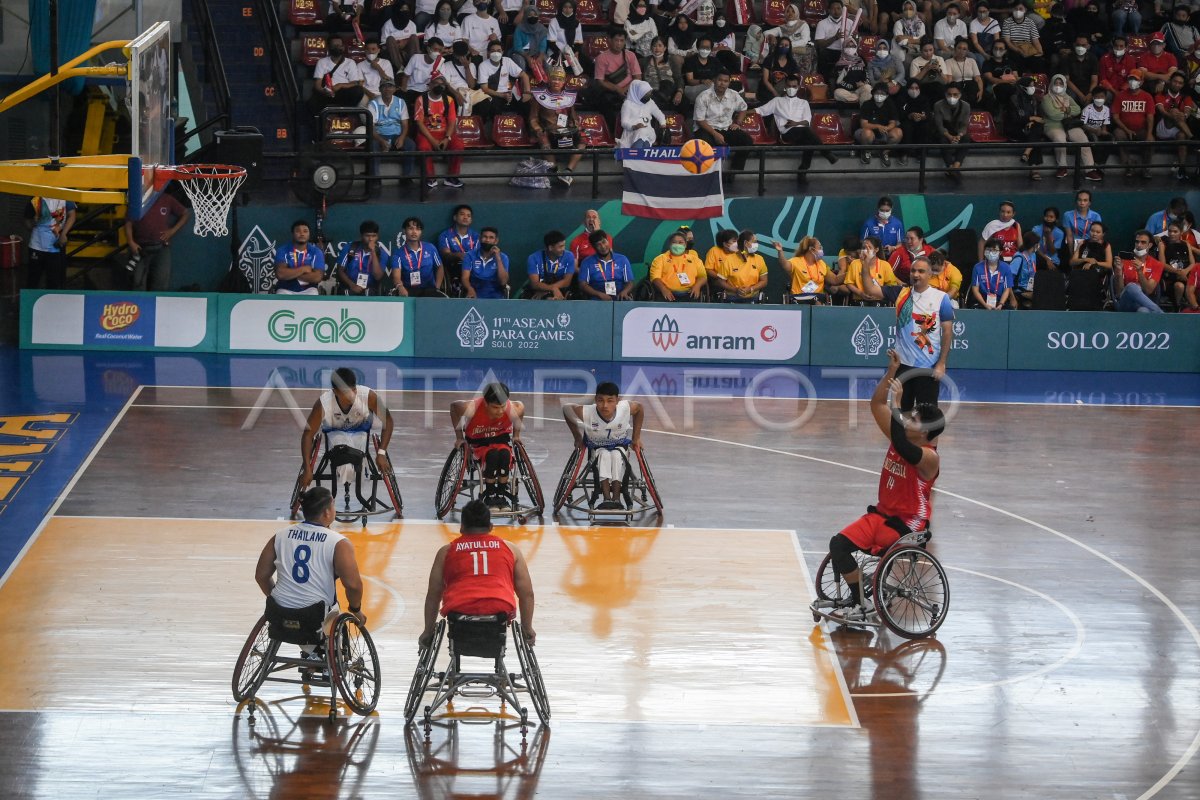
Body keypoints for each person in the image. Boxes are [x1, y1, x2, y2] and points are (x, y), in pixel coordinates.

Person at [822, 348, 945, 621]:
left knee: (874, 552)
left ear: (924, 432)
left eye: (912, 418)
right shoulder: (902, 435)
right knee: (838, 545)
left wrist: (897, 404)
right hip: (882, 514)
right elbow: (875, 405)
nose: (906, 418)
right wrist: (891, 372)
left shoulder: (928, 458)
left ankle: (864, 600)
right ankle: (860, 601)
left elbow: (901, 444)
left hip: (908, 525)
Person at [255, 487, 366, 667]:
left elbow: (261, 576)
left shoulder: (280, 536)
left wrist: (279, 600)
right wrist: (356, 609)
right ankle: (321, 654)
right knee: (332, 603)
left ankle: (310, 652)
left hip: (277, 613)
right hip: (314, 618)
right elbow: (353, 585)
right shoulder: (338, 542)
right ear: (327, 512)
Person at [418, 499, 536, 649]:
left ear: (461, 527)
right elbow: (527, 594)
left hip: (459, 612)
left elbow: (433, 594)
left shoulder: (445, 552)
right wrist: (527, 628)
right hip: (499, 610)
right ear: (491, 527)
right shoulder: (511, 549)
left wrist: (427, 631)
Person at [299, 367, 395, 491]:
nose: (350, 396)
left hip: (360, 433)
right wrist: (307, 467)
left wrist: (381, 453)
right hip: (335, 435)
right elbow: (308, 434)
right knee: (345, 459)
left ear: (355, 388)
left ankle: (356, 474)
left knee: (356, 462)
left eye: (353, 390)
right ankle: (347, 474)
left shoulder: (368, 396)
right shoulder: (323, 404)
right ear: (335, 392)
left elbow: (388, 420)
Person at [562, 382, 646, 509]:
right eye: (600, 400)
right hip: (597, 447)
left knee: (617, 456)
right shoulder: (587, 411)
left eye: (610, 401)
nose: (605, 405)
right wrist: (577, 437)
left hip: (619, 446)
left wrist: (636, 438)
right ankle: (606, 498)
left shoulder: (625, 408)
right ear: (595, 399)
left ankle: (616, 498)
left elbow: (639, 408)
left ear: (617, 400)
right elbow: (566, 409)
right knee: (605, 455)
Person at [450, 382, 526, 507]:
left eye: (502, 406)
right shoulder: (472, 407)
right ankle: (490, 493)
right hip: (478, 443)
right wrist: (459, 438)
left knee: (505, 454)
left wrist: (516, 435)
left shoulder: (513, 407)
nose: (500, 411)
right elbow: (453, 407)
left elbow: (521, 409)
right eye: (495, 407)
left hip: (500, 440)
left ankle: (501, 493)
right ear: (486, 403)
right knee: (492, 456)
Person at [893, 256, 954, 409]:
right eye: (913, 271)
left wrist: (941, 364)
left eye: (921, 271)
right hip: (903, 364)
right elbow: (870, 288)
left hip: (928, 365)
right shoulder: (902, 294)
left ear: (930, 275)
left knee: (928, 415)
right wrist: (867, 265)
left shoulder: (942, 298)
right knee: (901, 411)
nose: (916, 275)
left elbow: (947, 332)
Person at [757, 74, 838, 178]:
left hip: (803, 132)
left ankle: (803, 169)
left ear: (798, 87)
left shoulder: (804, 103)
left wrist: (795, 123)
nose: (791, 88)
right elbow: (759, 110)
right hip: (787, 133)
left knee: (809, 140)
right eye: (789, 86)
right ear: (785, 87)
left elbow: (807, 121)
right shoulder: (777, 101)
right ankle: (826, 153)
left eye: (794, 86)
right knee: (808, 132)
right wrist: (743, 112)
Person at [123, 192, 189, 292]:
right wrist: (131, 242)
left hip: (161, 247)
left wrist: (172, 231)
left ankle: (157, 307)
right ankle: (139, 306)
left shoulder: (167, 199)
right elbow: (128, 222)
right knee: (138, 282)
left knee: (161, 283)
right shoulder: (138, 199)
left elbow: (185, 213)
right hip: (140, 248)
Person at [530, 64, 583, 185]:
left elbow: (574, 118)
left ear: (564, 81)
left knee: (584, 137)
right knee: (542, 137)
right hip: (548, 131)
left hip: (565, 131)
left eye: (559, 79)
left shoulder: (569, 97)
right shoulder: (539, 96)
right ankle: (555, 170)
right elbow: (533, 118)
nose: (556, 82)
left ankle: (568, 171)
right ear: (549, 79)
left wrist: (575, 124)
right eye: (554, 78)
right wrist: (537, 129)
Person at [1041, 73, 1100, 180]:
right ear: (1051, 84)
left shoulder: (1067, 97)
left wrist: (1067, 110)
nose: (1058, 86)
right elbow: (1053, 115)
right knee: (1060, 139)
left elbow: (1077, 109)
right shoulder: (1046, 98)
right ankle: (1062, 167)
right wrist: (1067, 112)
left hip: (1069, 124)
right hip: (1053, 126)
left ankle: (1090, 170)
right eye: (1056, 83)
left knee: (1082, 139)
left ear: (1064, 85)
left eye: (1060, 83)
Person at [693, 72, 751, 174]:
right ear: (714, 80)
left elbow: (744, 108)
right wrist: (715, 134)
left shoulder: (734, 95)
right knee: (704, 144)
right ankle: (710, 174)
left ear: (729, 83)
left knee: (747, 140)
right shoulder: (703, 96)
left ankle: (734, 171)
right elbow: (700, 120)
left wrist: (738, 123)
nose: (722, 83)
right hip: (707, 129)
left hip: (726, 128)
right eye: (720, 80)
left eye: (725, 81)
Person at [414, 76, 466, 189]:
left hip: (444, 133)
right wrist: (432, 140)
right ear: (430, 85)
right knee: (423, 147)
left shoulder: (449, 100)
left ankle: (452, 177)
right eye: (436, 83)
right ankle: (430, 177)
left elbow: (452, 121)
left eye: (442, 84)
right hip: (427, 133)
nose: (439, 86)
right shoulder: (421, 99)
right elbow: (419, 123)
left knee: (459, 145)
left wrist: (447, 138)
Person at [586, 29, 642, 130]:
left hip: (630, 89)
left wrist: (625, 89)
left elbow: (638, 77)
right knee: (605, 104)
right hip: (611, 91)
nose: (619, 44)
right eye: (616, 40)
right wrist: (618, 89)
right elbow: (600, 81)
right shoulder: (601, 58)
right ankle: (614, 133)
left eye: (622, 41)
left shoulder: (630, 55)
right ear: (610, 41)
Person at [368, 80, 418, 179]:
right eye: (384, 86)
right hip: (379, 135)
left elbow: (405, 124)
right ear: (379, 89)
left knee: (410, 145)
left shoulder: (400, 102)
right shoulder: (373, 104)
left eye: (390, 86)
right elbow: (371, 127)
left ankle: (407, 178)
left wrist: (402, 138)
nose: (387, 89)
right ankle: (375, 179)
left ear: (395, 89)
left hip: (396, 135)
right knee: (373, 146)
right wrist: (381, 140)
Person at [24, 195, 75, 290]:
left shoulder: (65, 194)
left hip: (55, 246)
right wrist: (34, 223)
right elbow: (27, 222)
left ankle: (52, 303)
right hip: (36, 245)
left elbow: (72, 215)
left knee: (54, 281)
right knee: (33, 279)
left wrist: (64, 234)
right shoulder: (36, 199)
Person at [1113, 68, 1156, 179]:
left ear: (1141, 82)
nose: (1133, 82)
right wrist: (1127, 130)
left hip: (1141, 129)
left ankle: (1146, 168)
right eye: (1131, 79)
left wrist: (1149, 134)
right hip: (1124, 129)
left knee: (1150, 141)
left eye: (1136, 79)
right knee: (1118, 134)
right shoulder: (1120, 95)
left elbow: (1150, 117)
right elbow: (1115, 117)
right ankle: (1129, 166)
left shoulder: (1147, 96)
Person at [775, 235, 844, 304]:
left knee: (818, 300)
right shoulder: (796, 261)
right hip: (799, 297)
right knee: (816, 302)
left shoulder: (822, 264)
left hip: (818, 297)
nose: (821, 250)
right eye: (819, 247)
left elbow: (835, 280)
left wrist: (849, 272)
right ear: (812, 249)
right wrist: (780, 251)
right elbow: (784, 265)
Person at [1154, 71, 1196, 181]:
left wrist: (1184, 115)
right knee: (1174, 111)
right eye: (1175, 82)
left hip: (1178, 129)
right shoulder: (1161, 94)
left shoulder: (1186, 97)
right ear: (1170, 82)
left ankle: (1182, 169)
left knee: (1182, 135)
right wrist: (1174, 113)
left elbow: (1187, 111)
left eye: (1180, 83)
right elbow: (1162, 111)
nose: (1177, 85)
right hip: (1163, 127)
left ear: (1182, 85)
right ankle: (1193, 139)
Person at [391, 216, 445, 297]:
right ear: (404, 231)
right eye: (411, 228)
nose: (414, 232)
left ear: (421, 232)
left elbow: (440, 267)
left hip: (430, 289)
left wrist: (437, 287)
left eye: (418, 229)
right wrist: (400, 287)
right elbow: (396, 276)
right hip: (408, 290)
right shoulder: (398, 253)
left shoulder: (430, 248)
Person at [310, 37, 365, 116]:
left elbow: (355, 83)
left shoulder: (350, 62)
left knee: (358, 90)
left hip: (343, 92)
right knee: (312, 102)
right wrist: (324, 91)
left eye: (340, 45)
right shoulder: (322, 62)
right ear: (329, 47)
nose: (337, 48)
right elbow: (317, 84)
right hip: (326, 92)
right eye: (334, 46)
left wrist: (340, 85)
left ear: (343, 47)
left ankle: (344, 115)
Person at [709, 229, 768, 302]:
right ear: (746, 243)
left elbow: (764, 281)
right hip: (732, 298)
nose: (756, 244)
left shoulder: (759, 259)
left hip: (753, 298)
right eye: (754, 242)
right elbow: (721, 281)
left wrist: (751, 289)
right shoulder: (728, 260)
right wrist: (735, 290)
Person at [1113, 230, 1166, 312]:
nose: (1139, 245)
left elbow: (1148, 290)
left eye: (1143, 242)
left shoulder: (1157, 265)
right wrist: (1119, 272)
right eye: (1137, 242)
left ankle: (1157, 313)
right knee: (1131, 286)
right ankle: (1161, 315)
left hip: (1144, 302)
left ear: (1150, 245)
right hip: (1126, 303)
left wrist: (1140, 272)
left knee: (1143, 311)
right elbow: (1119, 292)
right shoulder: (1125, 261)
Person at [649, 231, 707, 301]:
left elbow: (703, 276)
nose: (677, 245)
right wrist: (664, 289)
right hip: (667, 294)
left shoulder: (695, 259)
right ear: (670, 245)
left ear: (685, 245)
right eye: (674, 242)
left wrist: (697, 286)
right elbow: (655, 278)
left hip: (690, 293)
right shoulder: (660, 259)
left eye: (680, 242)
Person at [1067, 220, 1112, 310]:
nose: (1094, 234)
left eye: (1098, 232)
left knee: (1092, 271)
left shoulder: (1106, 245)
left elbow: (1109, 265)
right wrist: (1085, 259)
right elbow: (1072, 262)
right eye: (1092, 231)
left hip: (1097, 272)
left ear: (1103, 234)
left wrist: (1094, 262)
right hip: (1080, 272)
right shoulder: (1083, 243)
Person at [856, 82, 904, 165]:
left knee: (898, 132)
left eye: (882, 93)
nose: (879, 95)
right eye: (877, 93)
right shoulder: (867, 104)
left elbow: (893, 122)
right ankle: (866, 152)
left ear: (887, 95)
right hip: (866, 132)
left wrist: (887, 128)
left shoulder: (890, 104)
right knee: (867, 133)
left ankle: (884, 152)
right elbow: (863, 124)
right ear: (873, 93)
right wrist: (878, 126)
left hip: (884, 132)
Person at [577, 230, 635, 301]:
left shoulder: (622, 259)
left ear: (608, 241)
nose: (603, 247)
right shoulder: (587, 262)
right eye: (598, 245)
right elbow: (583, 285)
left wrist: (625, 291)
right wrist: (598, 294)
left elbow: (630, 282)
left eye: (604, 242)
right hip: (596, 298)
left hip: (619, 297)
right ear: (593, 247)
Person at [273, 219, 326, 295]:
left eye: (305, 231)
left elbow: (317, 277)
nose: (302, 234)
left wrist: (290, 273)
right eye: (298, 231)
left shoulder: (316, 252)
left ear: (309, 234)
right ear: (293, 233)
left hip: (309, 289)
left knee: (313, 295)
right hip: (285, 289)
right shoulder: (283, 250)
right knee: (281, 294)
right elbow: (280, 274)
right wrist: (304, 269)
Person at [335, 220, 388, 296]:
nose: (370, 239)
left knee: (370, 293)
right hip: (349, 285)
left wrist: (373, 252)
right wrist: (352, 285)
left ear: (377, 236)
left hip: (370, 288)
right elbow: (340, 271)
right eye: (367, 236)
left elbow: (377, 276)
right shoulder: (350, 248)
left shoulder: (382, 253)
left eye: (373, 236)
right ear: (361, 236)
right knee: (345, 292)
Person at [845, 236, 904, 303]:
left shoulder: (885, 265)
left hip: (880, 302)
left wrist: (880, 293)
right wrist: (860, 293)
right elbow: (849, 284)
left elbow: (891, 285)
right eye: (864, 248)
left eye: (869, 247)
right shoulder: (854, 263)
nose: (866, 250)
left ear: (876, 250)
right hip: (858, 301)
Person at [438, 205, 479, 293]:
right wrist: (457, 255)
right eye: (462, 214)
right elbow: (446, 255)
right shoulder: (445, 235)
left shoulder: (476, 236)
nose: (465, 217)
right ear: (455, 217)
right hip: (455, 267)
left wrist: (468, 258)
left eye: (468, 216)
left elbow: (479, 255)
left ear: (471, 220)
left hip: (474, 268)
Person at [524, 230, 577, 299]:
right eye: (560, 246)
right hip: (539, 290)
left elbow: (567, 281)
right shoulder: (533, 258)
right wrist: (551, 289)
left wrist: (551, 290)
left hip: (560, 289)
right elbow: (534, 284)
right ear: (550, 248)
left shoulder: (569, 256)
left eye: (564, 245)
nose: (563, 249)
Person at [932, 83, 970, 178]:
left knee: (966, 139)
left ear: (960, 95)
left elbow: (964, 125)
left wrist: (959, 135)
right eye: (949, 94)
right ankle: (950, 165)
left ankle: (955, 166)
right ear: (945, 94)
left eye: (955, 94)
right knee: (942, 140)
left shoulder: (966, 106)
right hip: (943, 133)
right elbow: (939, 125)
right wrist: (949, 136)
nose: (952, 97)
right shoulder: (938, 105)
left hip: (957, 132)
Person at [462, 226, 510, 299]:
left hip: (495, 294)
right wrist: (470, 289)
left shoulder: (503, 257)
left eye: (491, 238)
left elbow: (503, 281)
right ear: (480, 239)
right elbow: (465, 278)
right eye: (485, 237)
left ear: (496, 241)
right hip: (474, 292)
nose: (487, 240)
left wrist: (498, 259)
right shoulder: (470, 255)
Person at [970, 237, 1015, 309]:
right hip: (982, 301)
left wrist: (1000, 304)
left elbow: (1007, 289)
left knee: (1009, 309)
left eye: (994, 250)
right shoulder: (977, 267)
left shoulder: (1006, 268)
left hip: (1000, 300)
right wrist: (985, 305)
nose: (990, 252)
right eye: (988, 250)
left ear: (1000, 252)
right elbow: (975, 290)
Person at [619, 80, 666, 148]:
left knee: (644, 132)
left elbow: (659, 114)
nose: (649, 96)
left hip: (647, 131)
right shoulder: (627, 104)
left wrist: (663, 123)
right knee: (641, 132)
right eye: (646, 94)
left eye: (649, 94)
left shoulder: (650, 102)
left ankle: (641, 155)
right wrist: (634, 127)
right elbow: (624, 123)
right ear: (638, 93)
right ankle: (636, 154)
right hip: (632, 132)